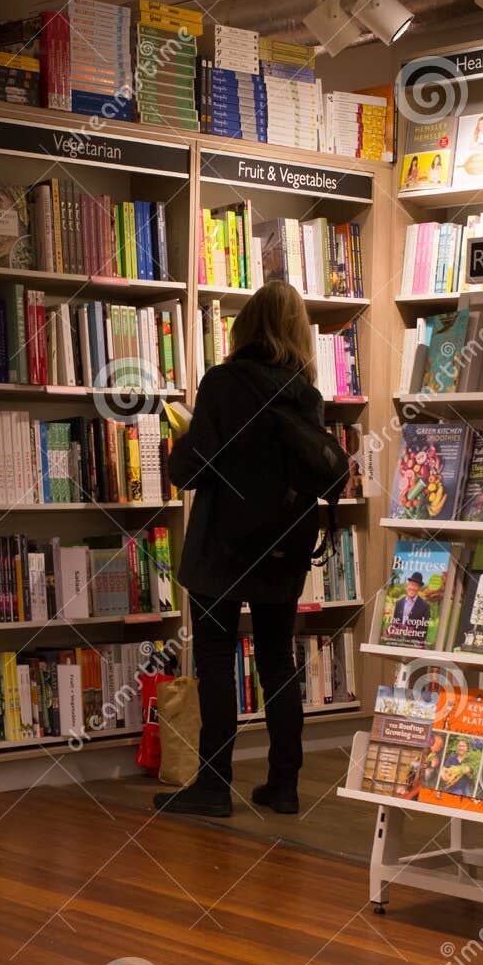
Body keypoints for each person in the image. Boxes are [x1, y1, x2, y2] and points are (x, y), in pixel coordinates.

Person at [154, 280, 324, 819]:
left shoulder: (224, 383)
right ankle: (284, 785)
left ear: (245, 326)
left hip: (221, 548)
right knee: (277, 662)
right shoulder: (306, 393)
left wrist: (177, 444)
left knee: (215, 661)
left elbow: (192, 468)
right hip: (283, 547)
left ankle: (212, 786)